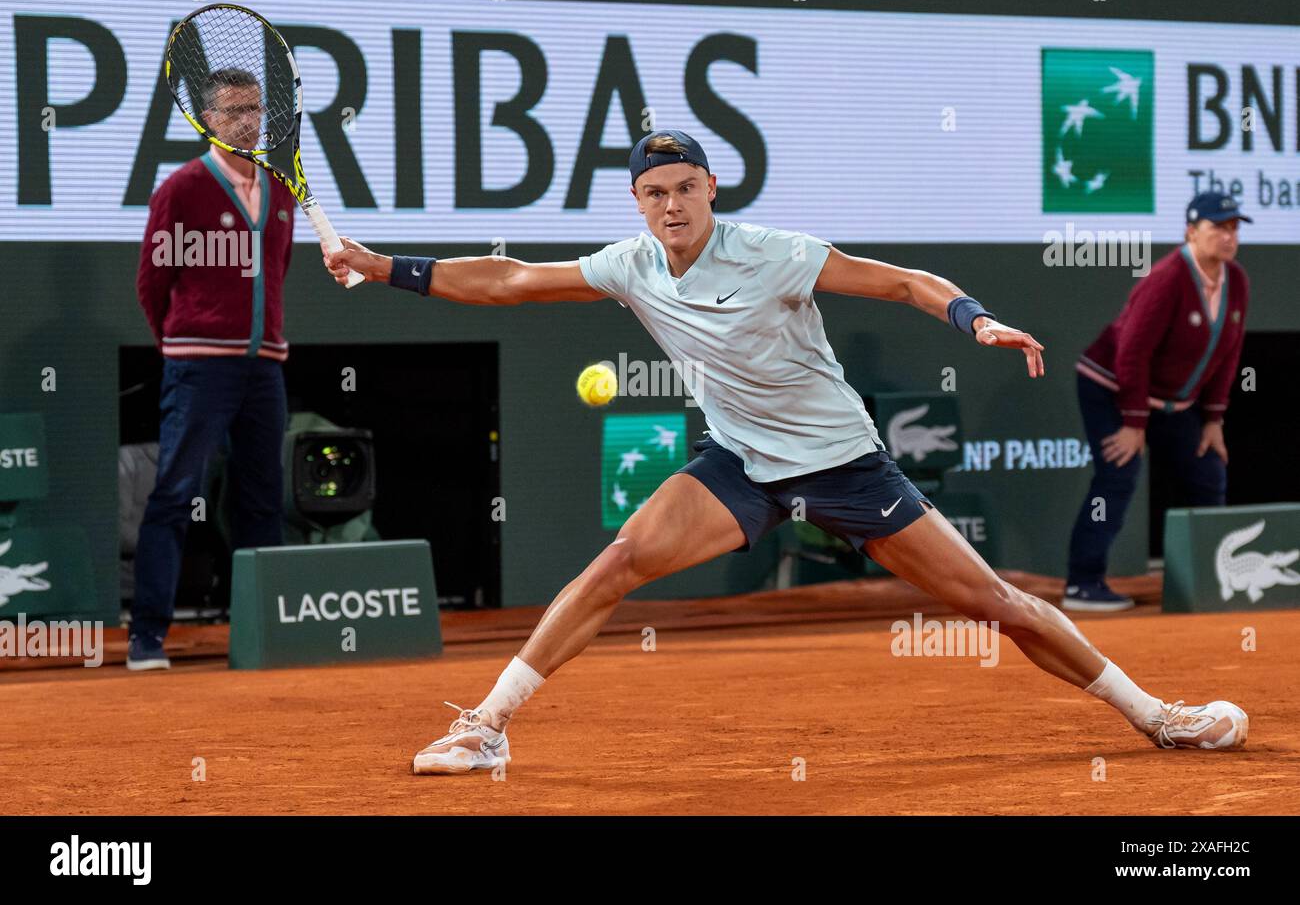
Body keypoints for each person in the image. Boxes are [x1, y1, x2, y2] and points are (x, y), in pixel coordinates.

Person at [324, 130, 1248, 772]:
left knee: (995, 602)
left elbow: (902, 282)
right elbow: (513, 280)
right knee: (616, 565)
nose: (672, 205)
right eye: (654, 193)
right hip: (738, 463)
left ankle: (1158, 717)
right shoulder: (629, 265)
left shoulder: (775, 252)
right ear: (638, 204)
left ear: (710, 191)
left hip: (844, 464)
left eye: (685, 188)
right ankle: (488, 726)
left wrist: (976, 319)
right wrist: (380, 266)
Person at [131, 69, 297, 670]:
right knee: (175, 495)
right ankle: (147, 637)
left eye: (253, 109)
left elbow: (276, 274)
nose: (246, 120)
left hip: (265, 369)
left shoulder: (280, 191)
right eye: (231, 112)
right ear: (207, 121)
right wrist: (180, 344)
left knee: (261, 500)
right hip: (200, 366)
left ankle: (260, 635)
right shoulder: (181, 188)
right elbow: (153, 282)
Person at [1066, 192, 1250, 611]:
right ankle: (1083, 583)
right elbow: (1132, 352)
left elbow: (1229, 351)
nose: (1228, 236)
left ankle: (1211, 578)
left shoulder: (1236, 280)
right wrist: (1134, 423)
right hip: (1111, 388)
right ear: (1191, 231)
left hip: (1174, 403)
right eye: (1218, 227)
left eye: (1234, 228)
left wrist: (1214, 419)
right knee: (1119, 473)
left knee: (1207, 471)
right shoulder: (1167, 278)